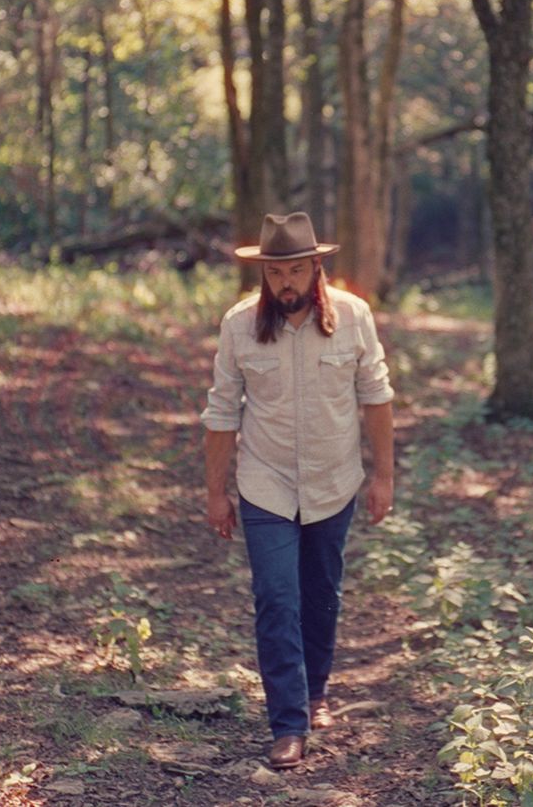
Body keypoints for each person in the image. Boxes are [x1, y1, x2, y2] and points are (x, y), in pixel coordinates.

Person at [200, 211, 395, 770]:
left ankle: (315, 693)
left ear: (316, 268)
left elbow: (376, 398)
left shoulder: (354, 318)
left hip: (335, 479)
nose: (285, 283)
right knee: (277, 599)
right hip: (266, 482)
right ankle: (288, 724)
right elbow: (221, 410)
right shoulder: (239, 324)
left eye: (295, 271)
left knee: (320, 593)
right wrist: (216, 492)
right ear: (264, 273)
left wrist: (383, 476)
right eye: (275, 272)